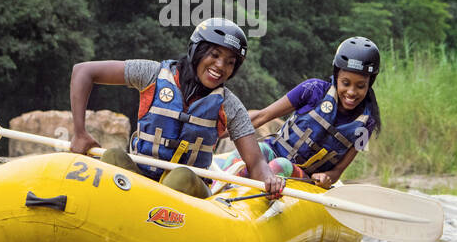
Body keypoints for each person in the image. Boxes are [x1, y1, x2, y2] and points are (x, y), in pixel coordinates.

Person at [69, 18, 285, 200]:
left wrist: (269, 179)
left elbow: (256, 162)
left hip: (189, 193)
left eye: (230, 62)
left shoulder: (230, 105)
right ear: (196, 50)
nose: (220, 66)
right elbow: (83, 72)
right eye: (215, 55)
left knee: (180, 176)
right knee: (114, 156)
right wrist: (80, 132)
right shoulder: (152, 74)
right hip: (142, 178)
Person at [246, 36, 383, 190]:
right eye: (345, 83)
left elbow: (338, 171)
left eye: (360, 86)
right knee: (256, 150)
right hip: (274, 150)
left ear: (369, 84)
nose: (351, 92)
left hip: (304, 178)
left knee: (280, 165)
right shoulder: (312, 89)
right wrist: (219, 133)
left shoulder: (366, 124)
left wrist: (326, 178)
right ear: (337, 76)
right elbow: (261, 116)